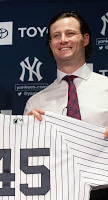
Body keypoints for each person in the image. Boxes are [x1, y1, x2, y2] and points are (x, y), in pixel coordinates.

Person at [24, 11, 108, 199]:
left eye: (70, 33)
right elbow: (27, 156)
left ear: (85, 39)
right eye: (56, 36)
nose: (63, 40)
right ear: (51, 44)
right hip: (55, 191)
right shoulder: (35, 102)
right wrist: (25, 134)